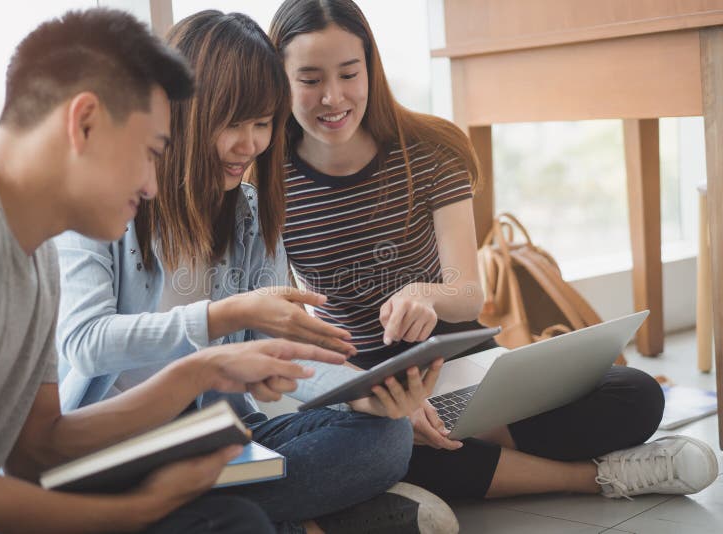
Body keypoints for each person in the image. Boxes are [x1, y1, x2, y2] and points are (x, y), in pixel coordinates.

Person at [268, 0, 719, 504]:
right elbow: (284, 328)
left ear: (371, 68)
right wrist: (371, 399)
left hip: (464, 369)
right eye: (309, 80)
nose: (333, 97)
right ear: (279, 81)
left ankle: (445, 458)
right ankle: (597, 477)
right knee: (378, 442)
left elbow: (468, 297)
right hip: (367, 390)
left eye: (349, 73)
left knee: (636, 395)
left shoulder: (431, 150)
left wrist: (427, 294)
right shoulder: (267, 185)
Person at [0, 9, 351, 534]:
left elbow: (38, 453)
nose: (152, 184)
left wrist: (198, 374)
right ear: (85, 124)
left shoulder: (34, 257)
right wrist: (135, 511)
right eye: (151, 152)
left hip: (36, 489)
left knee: (237, 521)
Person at [54, 10, 455, 534]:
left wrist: (365, 392)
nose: (250, 145)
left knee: (386, 438)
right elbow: (84, 342)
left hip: (221, 436)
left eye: (263, 123)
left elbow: (279, 346)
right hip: (119, 447)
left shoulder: (249, 214)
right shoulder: (98, 202)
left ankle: (210, 519)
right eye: (232, 124)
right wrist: (221, 315)